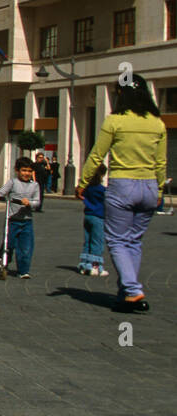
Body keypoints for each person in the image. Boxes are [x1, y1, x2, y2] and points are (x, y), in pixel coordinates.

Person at [76, 74, 167, 313]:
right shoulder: (157, 123)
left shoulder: (115, 121)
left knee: (117, 240)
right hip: (148, 187)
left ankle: (133, 290)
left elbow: (97, 155)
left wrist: (83, 182)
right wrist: (159, 189)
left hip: (123, 186)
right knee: (134, 241)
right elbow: (161, 162)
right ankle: (124, 296)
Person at [0, 158, 42, 278]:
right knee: (8, 244)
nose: (26, 173)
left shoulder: (34, 185)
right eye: (23, 170)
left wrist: (29, 203)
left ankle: (23, 271)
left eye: (29, 171)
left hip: (26, 221)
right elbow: (2, 192)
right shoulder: (12, 182)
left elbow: (37, 202)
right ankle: (3, 263)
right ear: (17, 170)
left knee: (26, 247)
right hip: (12, 220)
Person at [77, 164, 108, 277]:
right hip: (98, 216)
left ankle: (84, 265)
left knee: (88, 241)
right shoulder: (101, 190)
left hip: (88, 215)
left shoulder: (87, 188)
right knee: (97, 242)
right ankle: (95, 266)